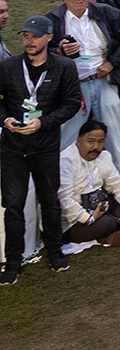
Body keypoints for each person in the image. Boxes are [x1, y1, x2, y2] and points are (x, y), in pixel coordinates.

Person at [0, 14, 83, 282]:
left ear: (49, 37)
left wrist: (43, 123)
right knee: (12, 205)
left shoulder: (64, 67)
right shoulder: (8, 67)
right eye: (25, 36)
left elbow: (71, 104)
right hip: (13, 147)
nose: (29, 41)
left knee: (50, 200)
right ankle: (13, 262)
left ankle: (55, 251)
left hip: (45, 146)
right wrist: (6, 120)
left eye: (34, 36)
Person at [47, 0, 120, 185]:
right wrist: (60, 51)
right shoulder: (52, 20)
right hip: (73, 88)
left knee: (113, 136)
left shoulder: (106, 13)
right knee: (68, 140)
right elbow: (39, 53)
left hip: (103, 81)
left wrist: (112, 62)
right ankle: (64, 192)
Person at [58, 119, 120, 247]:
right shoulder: (65, 161)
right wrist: (89, 218)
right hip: (72, 221)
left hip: (97, 205)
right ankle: (114, 230)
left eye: (101, 142)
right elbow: (64, 201)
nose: (96, 147)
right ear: (79, 141)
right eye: (90, 141)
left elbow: (117, 184)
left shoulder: (104, 156)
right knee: (108, 223)